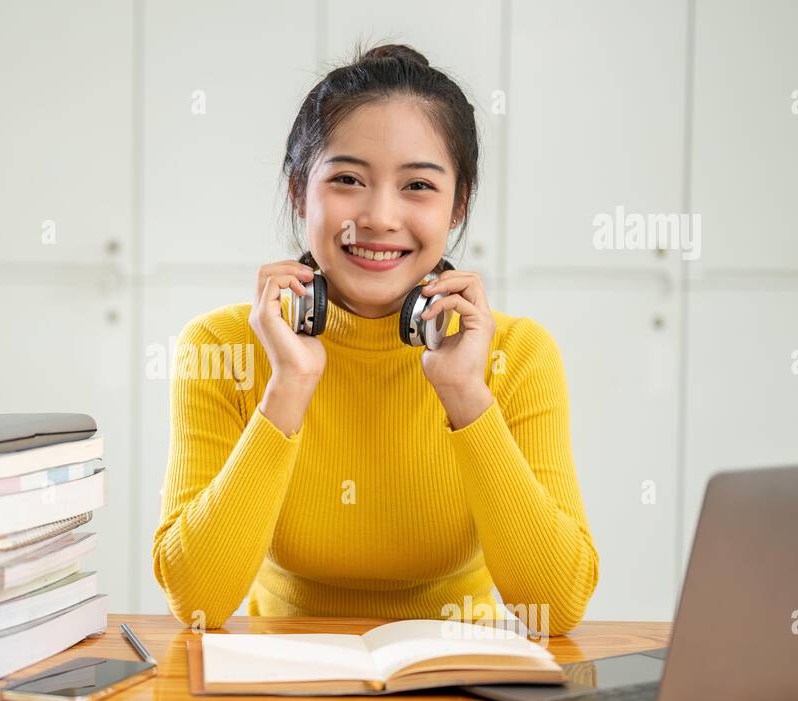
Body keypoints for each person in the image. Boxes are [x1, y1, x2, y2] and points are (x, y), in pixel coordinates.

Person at [152, 42, 598, 637]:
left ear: (457, 205)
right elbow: (197, 600)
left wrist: (466, 393)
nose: (381, 217)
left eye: (418, 186)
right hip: (285, 682)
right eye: (347, 179)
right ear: (297, 193)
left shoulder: (516, 355)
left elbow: (559, 607)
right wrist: (289, 386)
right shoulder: (222, 346)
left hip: (454, 683)